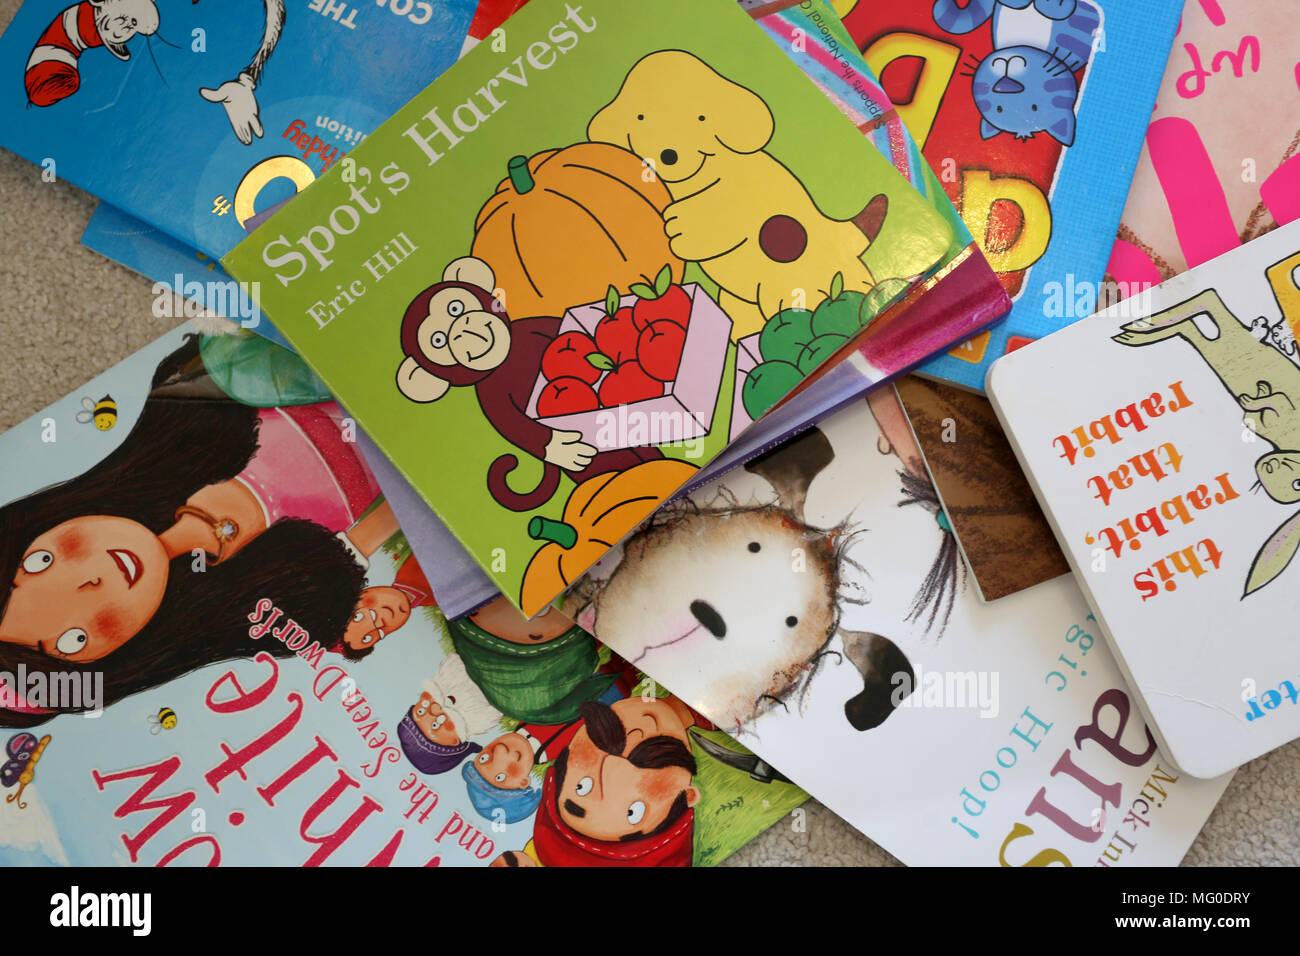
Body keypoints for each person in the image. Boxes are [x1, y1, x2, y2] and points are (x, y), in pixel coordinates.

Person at [0, 335, 395, 724]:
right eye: (74, 640)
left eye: (40, 562)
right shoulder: (283, 588)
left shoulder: (181, 405)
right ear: (123, 654)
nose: (90, 583)